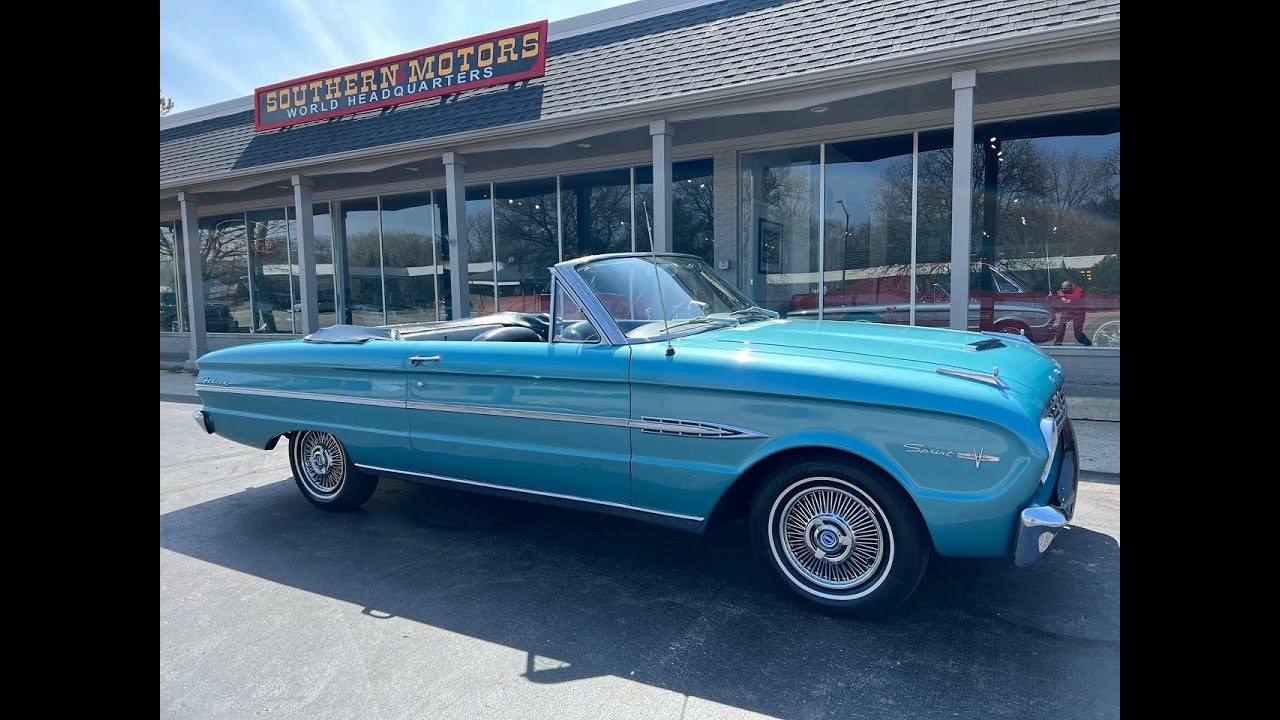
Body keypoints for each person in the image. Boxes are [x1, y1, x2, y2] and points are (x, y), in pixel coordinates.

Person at [1049, 280, 1091, 346]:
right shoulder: (1062, 291)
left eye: (1064, 289)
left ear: (1070, 287)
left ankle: (1087, 343)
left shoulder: (1078, 291)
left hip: (1078, 312)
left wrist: (1064, 295)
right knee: (1061, 326)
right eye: (1062, 288)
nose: (1063, 290)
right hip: (1068, 310)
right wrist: (1050, 297)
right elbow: (1055, 297)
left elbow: (1076, 297)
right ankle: (1058, 343)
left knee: (1077, 332)